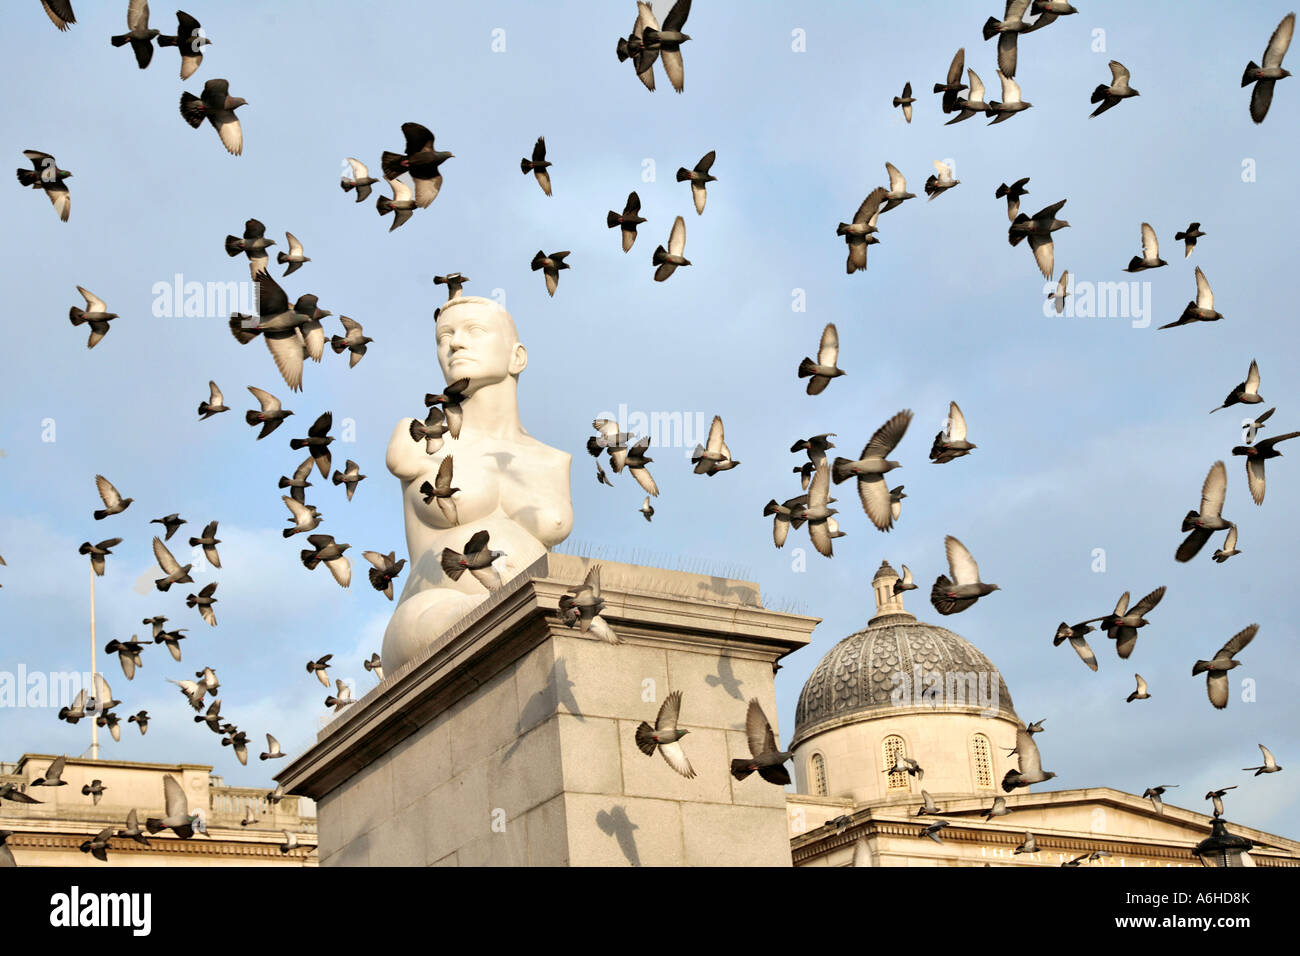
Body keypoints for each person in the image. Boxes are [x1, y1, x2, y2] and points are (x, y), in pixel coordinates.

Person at [382, 296, 572, 671]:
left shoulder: (553, 459)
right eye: (444, 336)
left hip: (534, 619)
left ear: (517, 357)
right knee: (508, 613)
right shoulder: (416, 436)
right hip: (429, 618)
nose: (453, 344)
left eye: (474, 331)